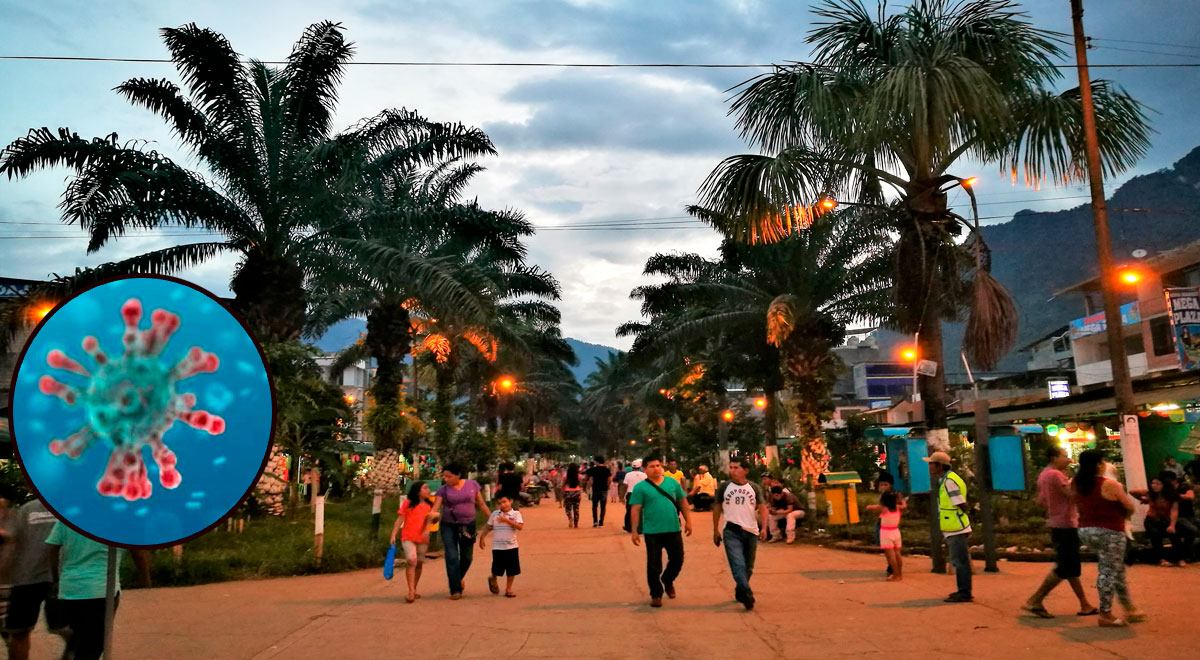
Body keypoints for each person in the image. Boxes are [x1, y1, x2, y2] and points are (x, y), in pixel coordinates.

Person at [1022, 446, 1097, 618]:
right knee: (1065, 567)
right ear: (1054, 457)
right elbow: (1072, 495)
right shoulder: (1056, 475)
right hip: (1066, 524)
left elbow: (1041, 501)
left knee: (1069, 566)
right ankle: (1035, 599)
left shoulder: (1043, 475)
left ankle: (1085, 603)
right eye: (1064, 456)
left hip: (1056, 522)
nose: (1068, 459)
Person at [1075, 449, 1144, 627]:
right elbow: (1129, 507)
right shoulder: (1109, 485)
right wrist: (1123, 515)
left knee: (1115, 568)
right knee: (1108, 571)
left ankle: (1130, 608)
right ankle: (1105, 613)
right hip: (1109, 531)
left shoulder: (1076, 483)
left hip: (1085, 530)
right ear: (1099, 464)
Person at [1, 499, 67, 660]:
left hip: (31, 577)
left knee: (20, 633)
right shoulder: (69, 507)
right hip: (52, 576)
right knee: (69, 630)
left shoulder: (27, 509)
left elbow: (11, 542)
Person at [629, 454, 692, 607]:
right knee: (653, 564)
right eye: (652, 466)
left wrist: (688, 521)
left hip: (673, 528)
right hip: (652, 531)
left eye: (658, 466)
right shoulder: (640, 488)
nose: (656, 469)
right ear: (645, 469)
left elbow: (682, 502)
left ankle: (668, 579)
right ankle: (656, 594)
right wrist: (635, 531)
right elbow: (635, 509)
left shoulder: (672, 483)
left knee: (678, 559)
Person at [712, 457, 768, 610]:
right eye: (731, 467)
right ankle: (747, 593)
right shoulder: (724, 487)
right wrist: (715, 530)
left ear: (746, 471)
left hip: (751, 530)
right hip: (731, 531)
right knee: (738, 563)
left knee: (748, 566)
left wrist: (764, 527)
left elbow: (762, 507)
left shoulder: (754, 487)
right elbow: (717, 508)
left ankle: (741, 588)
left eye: (736, 467)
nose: (733, 471)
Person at [431, 462, 491, 600]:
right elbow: (436, 506)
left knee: (467, 557)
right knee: (451, 556)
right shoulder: (443, 490)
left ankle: (457, 578)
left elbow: (481, 503)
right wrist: (432, 515)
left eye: (449, 476)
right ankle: (455, 589)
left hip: (468, 525)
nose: (446, 479)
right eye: (444, 476)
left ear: (458, 475)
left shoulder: (472, 485)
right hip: (449, 526)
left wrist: (491, 518)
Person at [924, 451, 973, 603]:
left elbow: (960, 502)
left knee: (960, 561)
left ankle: (964, 593)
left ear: (939, 465)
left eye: (931, 463)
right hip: (953, 525)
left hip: (956, 526)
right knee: (959, 560)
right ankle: (962, 590)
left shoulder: (949, 481)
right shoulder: (946, 479)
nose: (929, 466)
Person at [390, 481, 438, 603]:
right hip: (408, 536)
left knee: (419, 563)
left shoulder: (430, 505)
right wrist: (394, 534)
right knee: (412, 560)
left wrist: (432, 521)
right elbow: (400, 519)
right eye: (425, 488)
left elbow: (432, 520)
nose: (428, 490)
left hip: (423, 538)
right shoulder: (408, 504)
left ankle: (414, 588)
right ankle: (411, 590)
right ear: (418, 491)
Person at [1131, 473, 1187, 567]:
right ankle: (1161, 559)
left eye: (1158, 483)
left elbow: (1174, 511)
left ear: (1164, 484)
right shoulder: (1150, 494)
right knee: (1155, 535)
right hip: (1152, 520)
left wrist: (1172, 525)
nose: (1155, 486)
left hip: (1166, 520)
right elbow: (1132, 491)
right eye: (1153, 483)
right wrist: (1143, 499)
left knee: (1175, 534)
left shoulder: (1172, 495)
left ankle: (1180, 558)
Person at [480, 495, 524, 598]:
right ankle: (493, 579)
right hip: (498, 547)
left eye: (504, 502)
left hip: (512, 546)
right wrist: (482, 537)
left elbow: (520, 527)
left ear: (511, 501)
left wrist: (507, 520)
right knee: (497, 567)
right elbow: (489, 526)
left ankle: (508, 589)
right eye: (499, 503)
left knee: (512, 569)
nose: (502, 505)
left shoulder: (516, 514)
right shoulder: (495, 514)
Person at [865, 490, 905, 581]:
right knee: (897, 554)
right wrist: (902, 499)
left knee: (891, 556)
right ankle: (900, 574)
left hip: (886, 533)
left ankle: (895, 575)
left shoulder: (883, 509)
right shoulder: (897, 507)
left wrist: (868, 507)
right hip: (896, 531)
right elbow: (904, 505)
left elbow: (871, 507)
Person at [873, 473, 904, 576]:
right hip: (884, 523)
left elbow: (903, 505)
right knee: (888, 550)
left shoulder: (895, 495)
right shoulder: (883, 495)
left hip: (889, 525)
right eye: (881, 485)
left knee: (891, 551)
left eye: (885, 484)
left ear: (890, 485)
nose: (883, 487)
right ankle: (893, 569)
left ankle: (893, 570)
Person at [1166, 473, 1197, 562]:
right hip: (1179, 517)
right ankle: (1186, 553)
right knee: (1193, 530)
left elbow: (1190, 496)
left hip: (1189, 515)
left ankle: (1188, 553)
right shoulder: (1167, 490)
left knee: (1191, 533)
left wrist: (1178, 496)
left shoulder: (1183, 488)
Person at [584, 456, 612, 527]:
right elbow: (609, 479)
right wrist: (608, 486)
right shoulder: (606, 470)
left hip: (595, 489)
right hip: (604, 489)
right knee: (603, 507)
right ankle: (601, 522)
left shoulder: (593, 469)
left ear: (597, 462)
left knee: (594, 506)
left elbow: (587, 478)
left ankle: (595, 521)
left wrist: (587, 486)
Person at [622, 459, 647, 532]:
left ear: (632, 467)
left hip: (631, 494)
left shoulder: (628, 475)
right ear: (640, 467)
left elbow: (625, 486)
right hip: (641, 494)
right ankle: (640, 528)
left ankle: (628, 527)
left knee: (629, 510)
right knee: (640, 511)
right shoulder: (644, 475)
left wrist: (622, 496)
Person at [563, 463, 582, 528]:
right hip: (576, 492)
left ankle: (570, 518)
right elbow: (580, 484)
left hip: (568, 492)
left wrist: (562, 492)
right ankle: (576, 524)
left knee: (568, 508)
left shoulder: (566, 475)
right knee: (576, 509)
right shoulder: (579, 475)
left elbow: (563, 484)